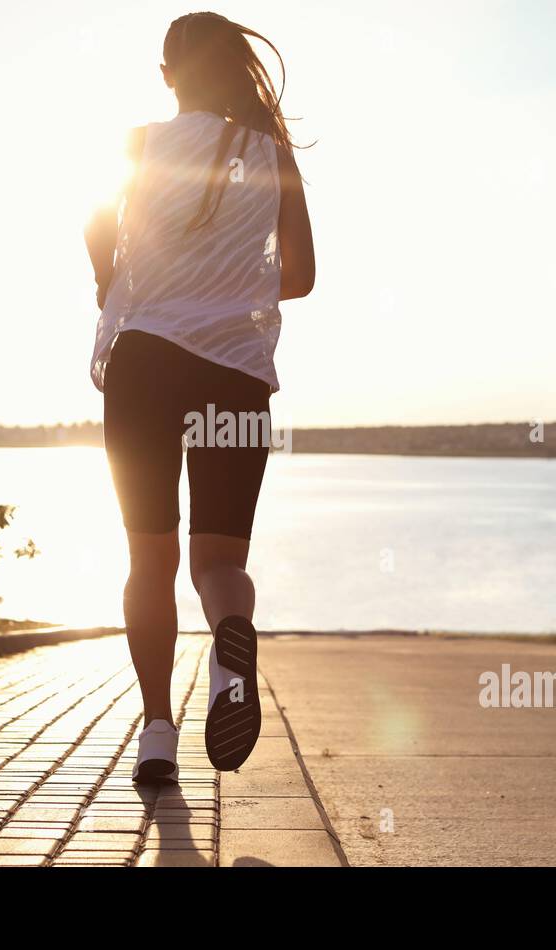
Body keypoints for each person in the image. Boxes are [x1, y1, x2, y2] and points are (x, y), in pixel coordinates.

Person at [84, 11, 315, 782]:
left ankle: (157, 733)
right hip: (234, 375)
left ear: (167, 76)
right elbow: (301, 275)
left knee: (149, 558)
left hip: (145, 366)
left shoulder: (138, 144)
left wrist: (113, 283)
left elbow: (96, 222)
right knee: (218, 561)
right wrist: (235, 285)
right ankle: (230, 644)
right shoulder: (273, 154)